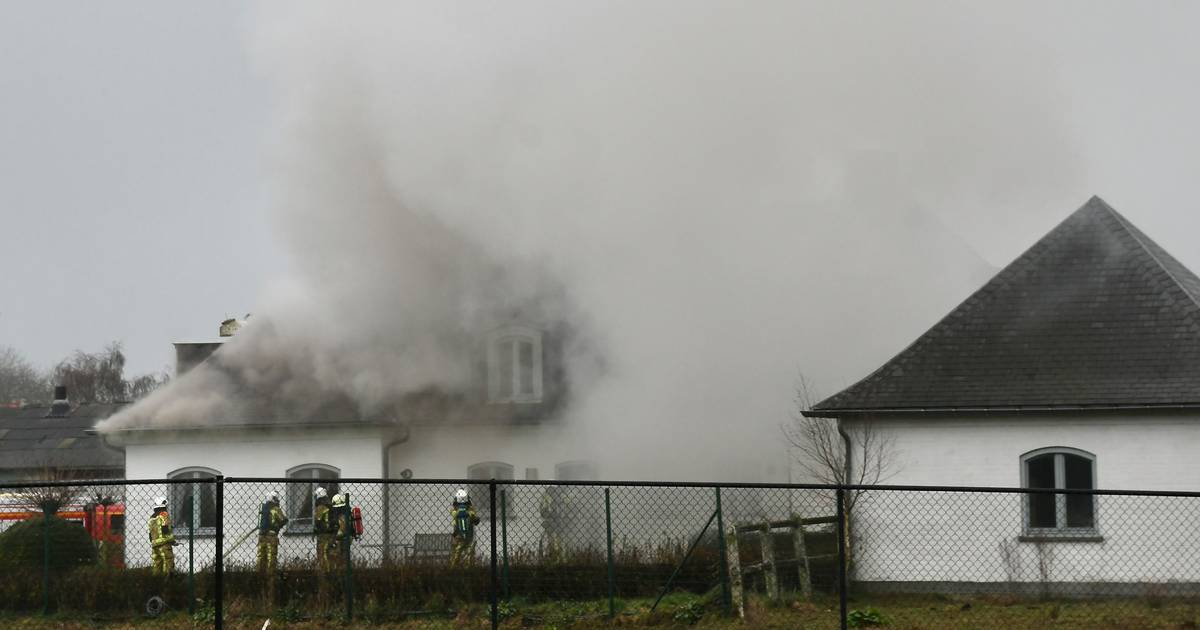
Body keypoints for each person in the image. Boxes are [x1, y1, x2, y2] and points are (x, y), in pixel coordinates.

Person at [256, 491, 289, 576]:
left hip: (261, 535)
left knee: (261, 556)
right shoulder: (275, 509)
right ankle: (270, 575)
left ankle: (259, 574)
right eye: (276, 498)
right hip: (271, 536)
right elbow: (283, 519)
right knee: (271, 556)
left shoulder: (263, 508)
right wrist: (283, 522)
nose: (277, 500)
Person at [449, 488, 480, 568]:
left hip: (463, 534)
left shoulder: (456, 512)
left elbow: (475, 519)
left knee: (458, 552)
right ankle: (463, 567)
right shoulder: (469, 511)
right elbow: (475, 519)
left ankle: (454, 567)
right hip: (464, 534)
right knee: (466, 552)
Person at [148, 496, 176, 576]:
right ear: (163, 505)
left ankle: (157, 580)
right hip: (164, 544)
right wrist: (172, 540)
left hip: (154, 545)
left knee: (157, 563)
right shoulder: (164, 514)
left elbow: (150, 534)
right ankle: (167, 581)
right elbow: (165, 530)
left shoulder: (152, 517)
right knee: (168, 561)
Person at [539, 486, 568, 564]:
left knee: (558, 540)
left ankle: (558, 557)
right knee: (553, 540)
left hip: (557, 522)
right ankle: (555, 557)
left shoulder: (560, 496)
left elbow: (566, 509)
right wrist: (552, 515)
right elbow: (543, 511)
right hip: (552, 522)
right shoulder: (548, 497)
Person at [313, 487, 334, 575]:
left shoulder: (321, 506)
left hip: (323, 534)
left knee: (322, 554)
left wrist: (315, 531)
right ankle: (330, 571)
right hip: (331, 534)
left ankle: (325, 572)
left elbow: (317, 520)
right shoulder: (330, 505)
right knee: (329, 554)